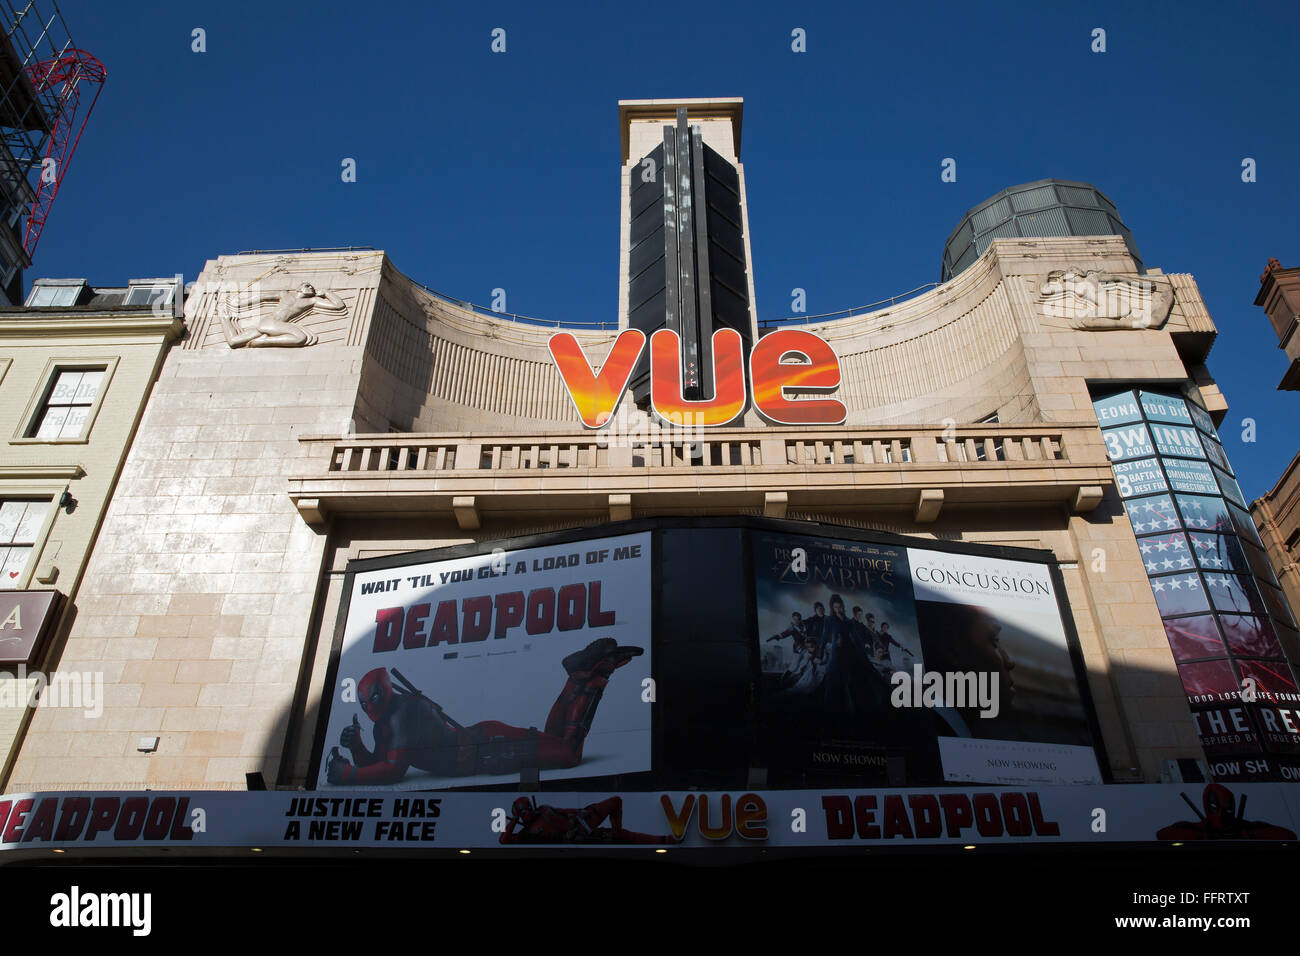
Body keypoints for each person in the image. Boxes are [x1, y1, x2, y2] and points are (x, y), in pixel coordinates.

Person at [325, 637, 642, 784]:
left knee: (569, 753)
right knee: (555, 740)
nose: (367, 707)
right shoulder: (389, 722)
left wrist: (349, 774)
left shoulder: (403, 714)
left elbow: (391, 772)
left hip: (489, 749)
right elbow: (382, 763)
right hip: (487, 744)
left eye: (369, 700)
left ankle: (597, 676)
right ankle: (579, 677)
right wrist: (356, 749)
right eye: (364, 703)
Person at [501, 795, 676, 845]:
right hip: (578, 836)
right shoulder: (527, 834)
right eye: (522, 811)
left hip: (581, 822)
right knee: (627, 836)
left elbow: (564, 811)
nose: (527, 812)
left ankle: (616, 833)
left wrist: (581, 811)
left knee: (615, 802)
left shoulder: (543, 809)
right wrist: (514, 822)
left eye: (527, 808)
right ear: (518, 814)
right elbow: (504, 840)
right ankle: (665, 840)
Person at [225, 282, 346, 348]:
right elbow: (262, 297)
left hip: (274, 325)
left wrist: (327, 292)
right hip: (270, 322)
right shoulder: (285, 294)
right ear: (298, 288)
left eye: (312, 288)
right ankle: (263, 342)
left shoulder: (311, 301)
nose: (311, 288)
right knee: (301, 338)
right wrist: (240, 303)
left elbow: (338, 305)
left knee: (234, 342)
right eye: (307, 285)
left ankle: (224, 319)